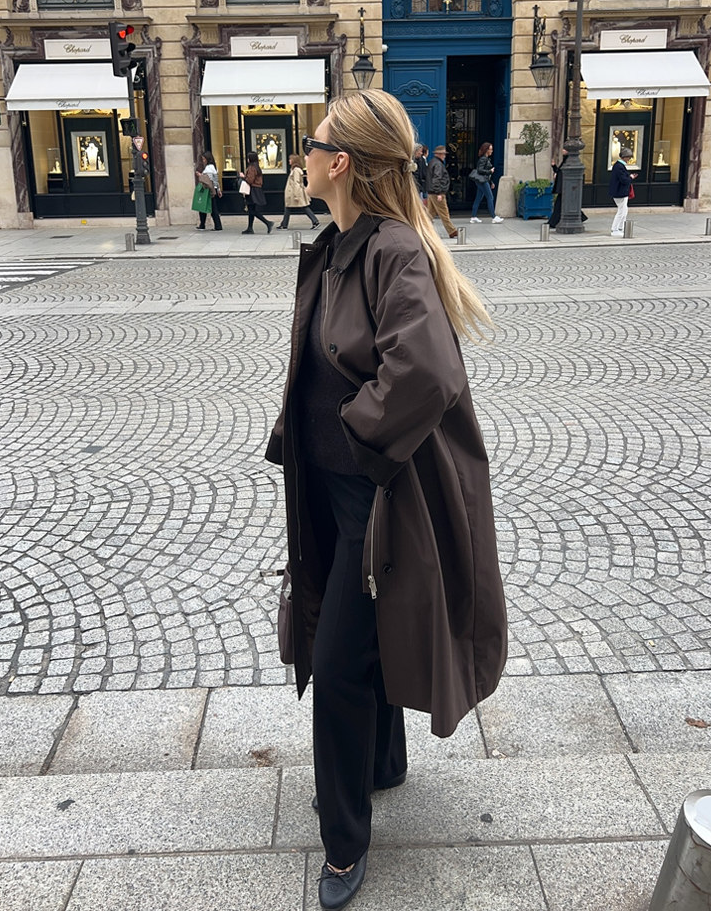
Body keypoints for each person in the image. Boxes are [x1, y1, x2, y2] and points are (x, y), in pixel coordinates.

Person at [265, 89, 507, 910]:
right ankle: (383, 765)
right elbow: (329, 360)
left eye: (311, 141)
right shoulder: (340, 243)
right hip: (332, 493)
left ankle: (343, 846)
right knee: (352, 637)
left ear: (340, 162)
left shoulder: (393, 249)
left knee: (335, 669)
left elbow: (429, 373)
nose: (301, 153)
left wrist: (358, 439)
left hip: (378, 500)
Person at [279, 154, 321, 230]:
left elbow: (296, 183)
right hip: (293, 192)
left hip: (294, 193)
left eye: (290, 159)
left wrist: (296, 195)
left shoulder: (296, 170)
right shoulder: (294, 170)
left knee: (303, 207)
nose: (289, 161)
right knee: (290, 208)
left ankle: (315, 221)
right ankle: (284, 224)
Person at [548, 148, 587, 229]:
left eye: (564, 149)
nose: (562, 150)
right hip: (564, 187)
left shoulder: (570, 160)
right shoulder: (566, 160)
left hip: (566, 187)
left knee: (560, 204)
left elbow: (563, 173)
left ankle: (554, 222)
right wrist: (554, 167)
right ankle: (581, 217)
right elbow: (560, 171)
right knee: (562, 203)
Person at [425, 145, 458, 238]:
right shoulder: (438, 164)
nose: (444, 156)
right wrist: (439, 192)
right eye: (443, 154)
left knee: (430, 213)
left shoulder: (432, 162)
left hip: (431, 192)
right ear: (439, 154)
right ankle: (452, 231)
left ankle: (423, 228)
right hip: (437, 193)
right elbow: (437, 178)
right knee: (444, 212)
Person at [239, 151, 274, 235]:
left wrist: (243, 176)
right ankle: (250, 228)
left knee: (252, 210)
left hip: (253, 190)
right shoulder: (257, 167)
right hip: (256, 189)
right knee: (252, 209)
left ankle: (268, 223)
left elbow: (250, 180)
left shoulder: (252, 167)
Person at [469, 142, 503, 224]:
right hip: (482, 181)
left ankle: (473, 216)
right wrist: (490, 171)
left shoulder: (485, 159)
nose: (492, 151)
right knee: (490, 197)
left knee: (478, 198)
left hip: (483, 181)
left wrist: (491, 182)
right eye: (491, 149)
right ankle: (494, 216)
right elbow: (480, 170)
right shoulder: (483, 159)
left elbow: (484, 173)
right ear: (486, 150)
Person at [609, 145, 636, 237]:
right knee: (621, 211)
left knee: (624, 210)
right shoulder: (619, 166)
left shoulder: (618, 166)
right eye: (628, 157)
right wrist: (631, 177)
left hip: (620, 192)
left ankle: (620, 228)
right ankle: (615, 229)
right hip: (620, 192)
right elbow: (624, 180)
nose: (628, 159)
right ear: (625, 157)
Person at [196, 151, 222, 231]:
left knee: (205, 207)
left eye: (204, 159)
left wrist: (200, 176)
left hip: (208, 191)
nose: (203, 161)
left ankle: (206, 225)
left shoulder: (209, 168)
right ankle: (211, 225)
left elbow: (208, 180)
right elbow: (215, 180)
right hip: (213, 189)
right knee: (211, 208)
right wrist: (218, 189)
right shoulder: (213, 167)